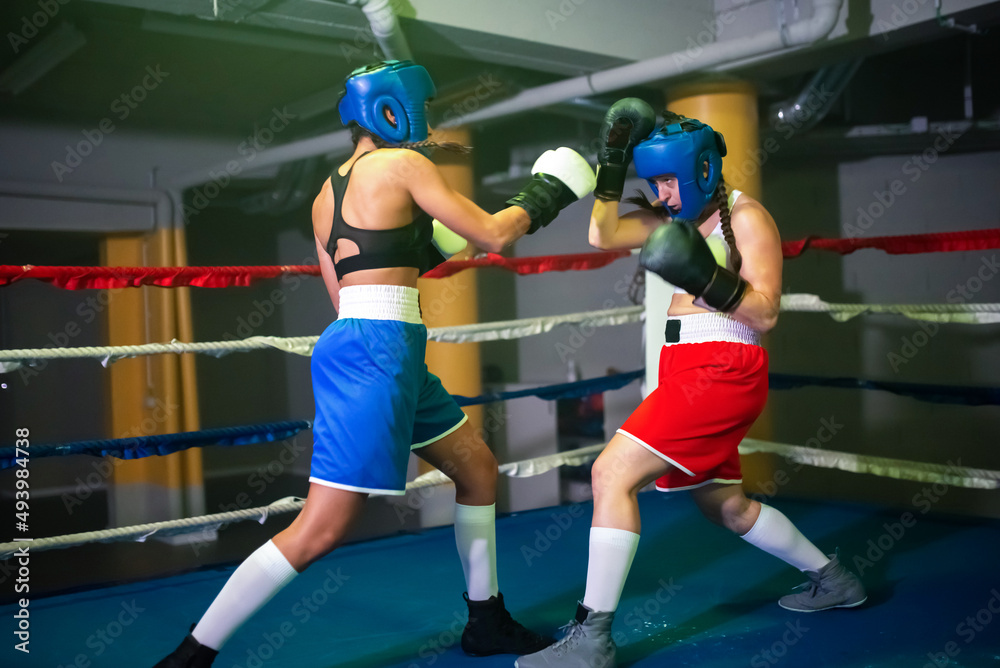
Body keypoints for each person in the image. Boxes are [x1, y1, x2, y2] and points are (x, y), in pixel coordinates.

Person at [153, 59, 596, 668]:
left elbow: (345, 295)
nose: (429, 123)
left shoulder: (322, 195)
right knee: (321, 529)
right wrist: (551, 190)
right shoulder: (405, 164)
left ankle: (486, 620)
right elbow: (494, 235)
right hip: (378, 351)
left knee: (477, 469)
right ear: (395, 109)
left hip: (375, 341)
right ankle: (188, 657)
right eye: (425, 109)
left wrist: (415, 252)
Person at [516, 100, 866, 668]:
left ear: (702, 170)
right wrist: (611, 162)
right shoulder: (674, 220)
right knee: (724, 504)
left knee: (609, 474)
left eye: (668, 181)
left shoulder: (748, 218)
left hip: (723, 369)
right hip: (689, 368)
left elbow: (768, 312)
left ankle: (592, 640)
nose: (662, 195)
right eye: (652, 182)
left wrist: (702, 277)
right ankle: (834, 579)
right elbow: (603, 233)